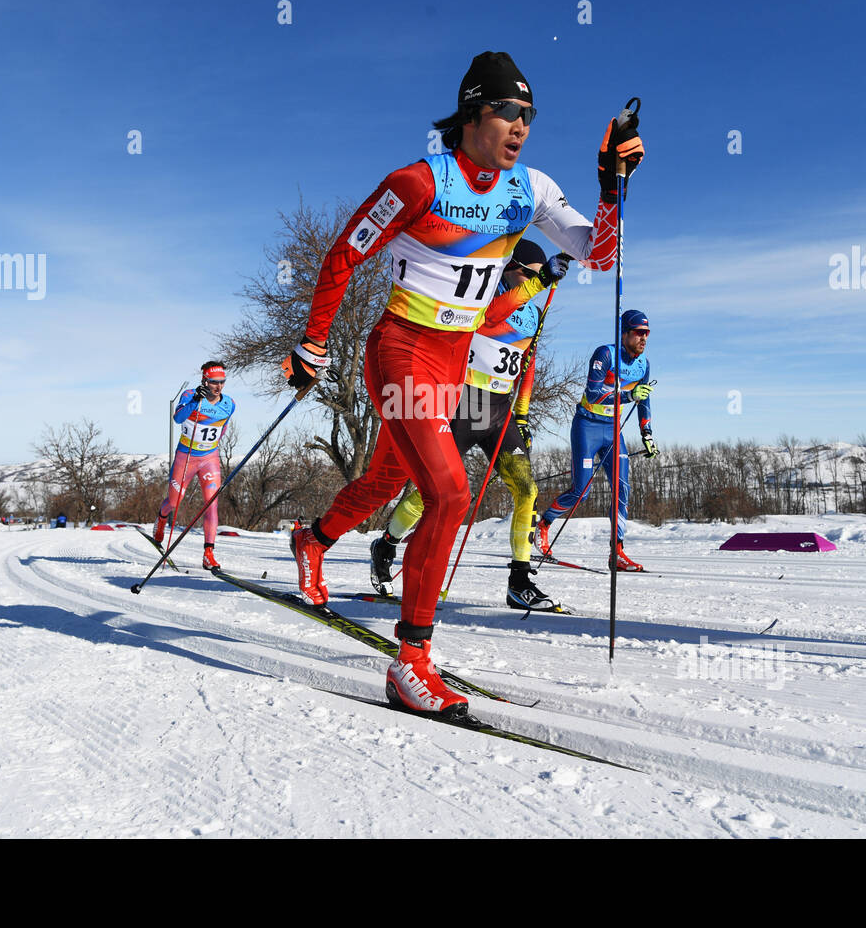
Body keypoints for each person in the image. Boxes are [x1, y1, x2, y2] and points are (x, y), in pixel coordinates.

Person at [281, 50, 643, 717]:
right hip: (402, 349)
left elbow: (598, 253)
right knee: (449, 491)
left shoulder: (529, 189)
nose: (521, 127)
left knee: (393, 477)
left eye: (529, 116)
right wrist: (312, 340)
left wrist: (610, 185)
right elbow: (344, 252)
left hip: (454, 361)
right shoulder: (419, 182)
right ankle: (411, 661)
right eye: (509, 111)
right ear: (473, 113)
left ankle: (314, 540)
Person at [370, 237, 562, 612]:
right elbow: (491, 317)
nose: (534, 284)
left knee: (527, 490)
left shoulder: (533, 314)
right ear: (510, 268)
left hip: (500, 409)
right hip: (466, 404)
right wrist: (535, 285)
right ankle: (388, 543)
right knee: (437, 493)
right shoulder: (483, 294)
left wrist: (522, 414)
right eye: (528, 275)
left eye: (541, 279)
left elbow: (527, 366)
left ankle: (519, 581)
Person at [536, 310, 657, 571]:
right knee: (582, 491)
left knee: (622, 489)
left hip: (613, 430)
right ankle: (544, 524)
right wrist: (628, 395)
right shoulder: (605, 354)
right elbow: (593, 394)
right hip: (587, 426)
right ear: (624, 333)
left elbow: (644, 399)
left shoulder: (643, 364)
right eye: (638, 332)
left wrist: (647, 434)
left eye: (646, 333)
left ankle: (618, 552)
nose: (643, 338)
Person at [155, 361, 235, 574]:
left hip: (210, 457)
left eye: (222, 382)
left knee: (211, 504)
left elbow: (223, 427)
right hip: (186, 457)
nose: (218, 387)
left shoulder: (229, 404)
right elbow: (178, 417)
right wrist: (195, 401)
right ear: (204, 380)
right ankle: (162, 518)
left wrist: (210, 442)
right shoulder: (190, 394)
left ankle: (208, 554)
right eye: (214, 382)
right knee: (174, 502)